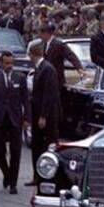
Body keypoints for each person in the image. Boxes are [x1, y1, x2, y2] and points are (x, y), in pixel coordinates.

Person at [0, 50, 27, 193]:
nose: (9, 66)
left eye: (11, 63)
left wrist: (26, 119)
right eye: (6, 63)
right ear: (1, 63)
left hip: (15, 119)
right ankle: (7, 174)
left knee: (16, 151)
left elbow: (25, 100)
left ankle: (13, 183)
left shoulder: (20, 78)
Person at [27, 41, 62, 177]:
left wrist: (43, 115)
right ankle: (37, 175)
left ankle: (45, 174)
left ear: (32, 54)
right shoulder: (40, 68)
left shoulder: (47, 69)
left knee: (46, 144)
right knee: (37, 145)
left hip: (47, 115)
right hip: (38, 112)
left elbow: (49, 94)